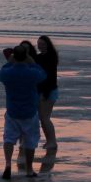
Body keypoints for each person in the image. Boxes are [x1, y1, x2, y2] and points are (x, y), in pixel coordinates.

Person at [0, 43, 46, 180]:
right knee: (30, 140)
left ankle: (7, 164)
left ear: (14, 56)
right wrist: (32, 62)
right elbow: (43, 75)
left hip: (12, 110)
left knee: (9, 138)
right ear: (26, 56)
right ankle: (29, 169)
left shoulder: (8, 73)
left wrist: (9, 62)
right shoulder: (32, 73)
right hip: (29, 111)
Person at [34, 35, 59, 171]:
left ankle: (52, 141)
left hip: (49, 91)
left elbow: (50, 77)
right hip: (41, 91)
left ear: (48, 44)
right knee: (42, 118)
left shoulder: (51, 57)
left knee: (45, 118)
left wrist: (45, 93)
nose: (40, 46)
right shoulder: (39, 57)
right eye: (38, 44)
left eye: (42, 44)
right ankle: (49, 141)